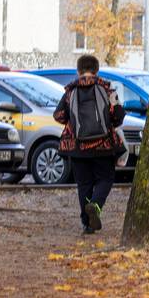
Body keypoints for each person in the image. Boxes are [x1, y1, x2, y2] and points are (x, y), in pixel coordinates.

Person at [52, 54, 126, 234]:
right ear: (97, 70)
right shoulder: (107, 89)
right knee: (106, 179)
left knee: (84, 185)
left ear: (78, 71)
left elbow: (58, 116)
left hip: (77, 148)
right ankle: (96, 206)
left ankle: (86, 224)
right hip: (104, 147)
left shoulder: (70, 91)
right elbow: (118, 116)